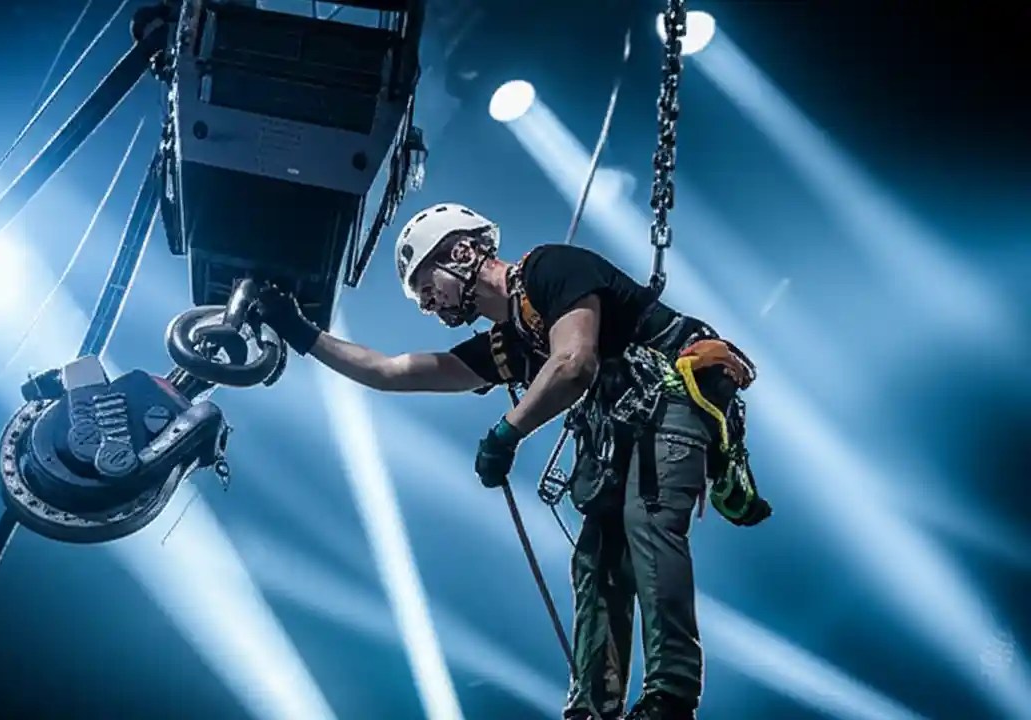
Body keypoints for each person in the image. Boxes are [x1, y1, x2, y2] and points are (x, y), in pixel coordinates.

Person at [255, 203, 767, 720]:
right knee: (595, 559)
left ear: (461, 251)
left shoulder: (552, 269)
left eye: (428, 287)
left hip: (675, 399)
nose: (429, 306)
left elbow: (574, 363)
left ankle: (670, 697)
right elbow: (394, 372)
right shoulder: (515, 340)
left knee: (648, 523)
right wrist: (302, 334)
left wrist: (508, 431)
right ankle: (593, 706)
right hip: (632, 427)